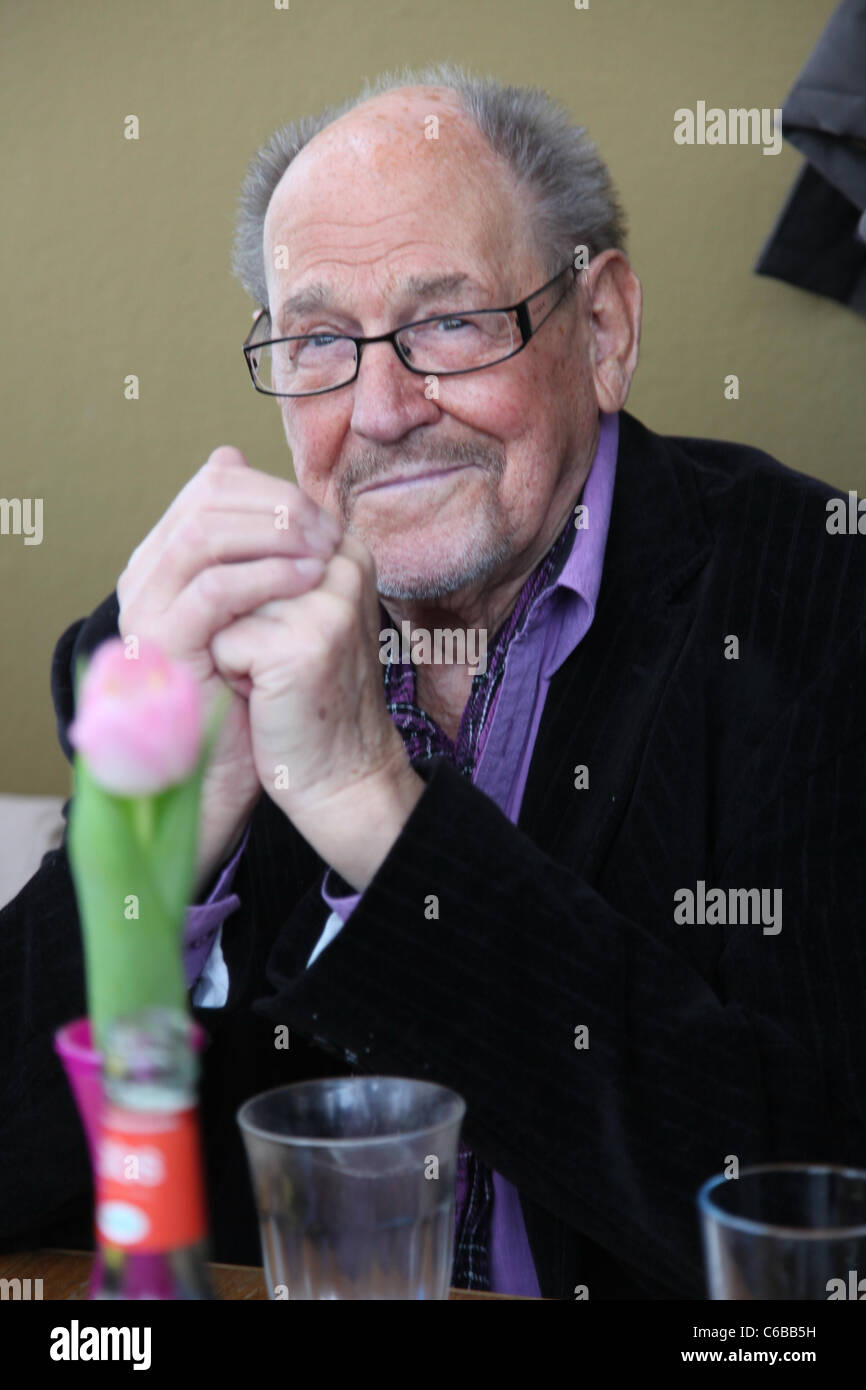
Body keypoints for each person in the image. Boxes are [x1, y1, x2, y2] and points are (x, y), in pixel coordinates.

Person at [2, 62, 865, 1300]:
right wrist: (165, 837)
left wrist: (373, 805)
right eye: (316, 341)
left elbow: (811, 1219)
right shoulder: (178, 647)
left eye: (448, 321)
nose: (382, 407)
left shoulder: (821, 612)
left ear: (603, 328)